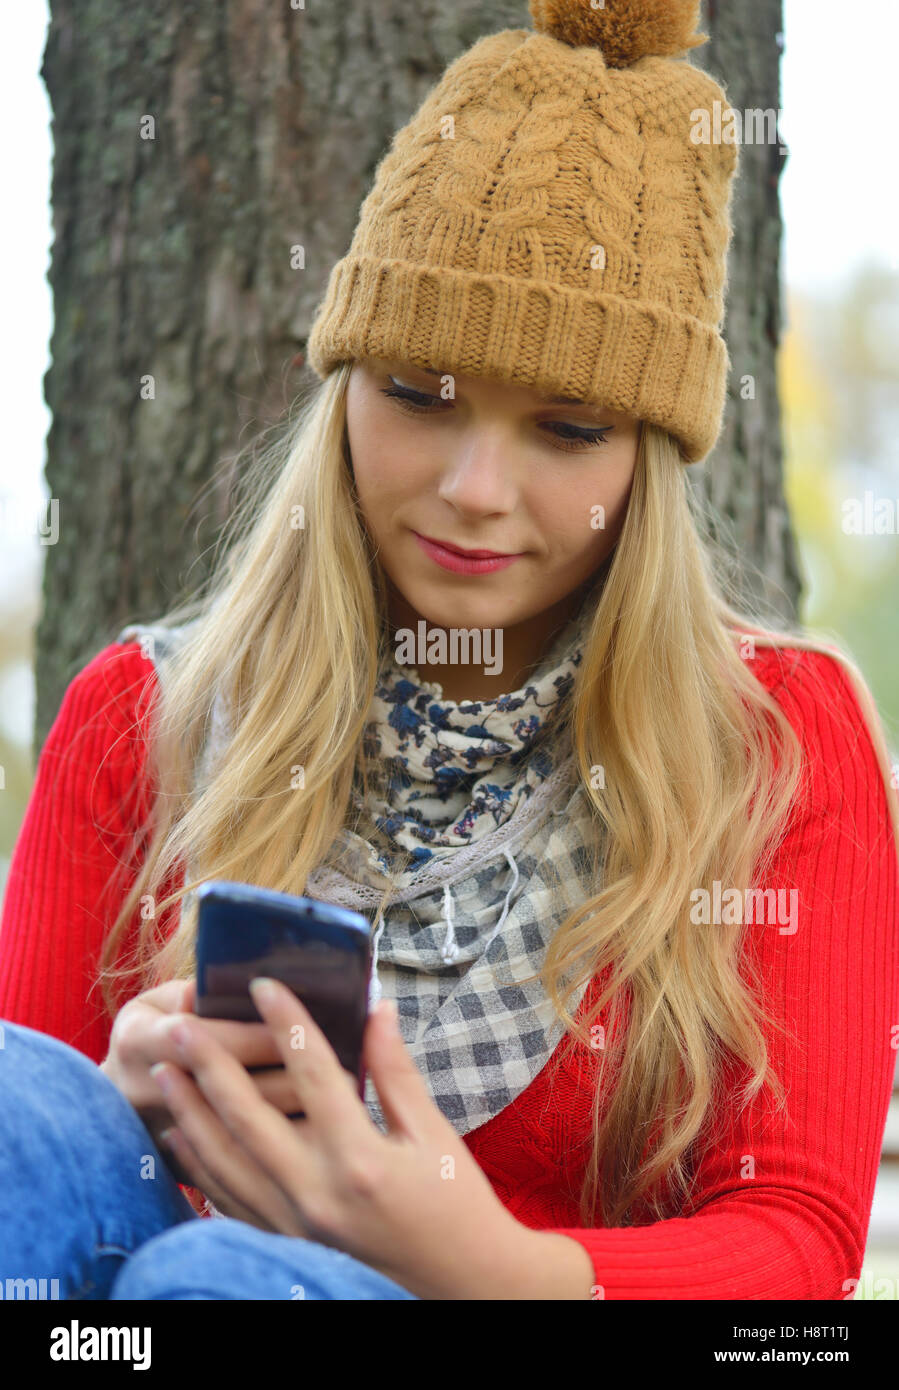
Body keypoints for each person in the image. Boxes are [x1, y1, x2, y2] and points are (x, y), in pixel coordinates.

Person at [2, 0, 898, 1301]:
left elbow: (796, 1236)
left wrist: (488, 1265)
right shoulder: (149, 712)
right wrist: (122, 1094)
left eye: (566, 427)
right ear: (346, 386)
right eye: (419, 396)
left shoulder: (768, 740)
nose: (477, 488)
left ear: (647, 461)